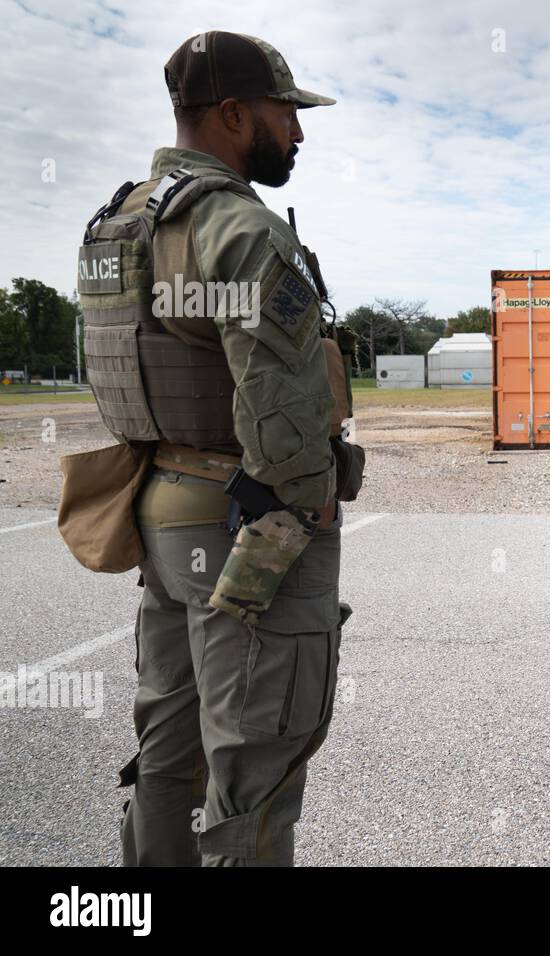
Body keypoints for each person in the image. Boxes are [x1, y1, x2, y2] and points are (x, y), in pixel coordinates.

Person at [75, 31, 354, 866]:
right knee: (258, 763)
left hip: (160, 509)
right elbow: (285, 409)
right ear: (234, 114)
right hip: (248, 518)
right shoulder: (236, 224)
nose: (298, 135)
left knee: (168, 750)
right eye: (284, 115)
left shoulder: (119, 219)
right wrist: (311, 503)